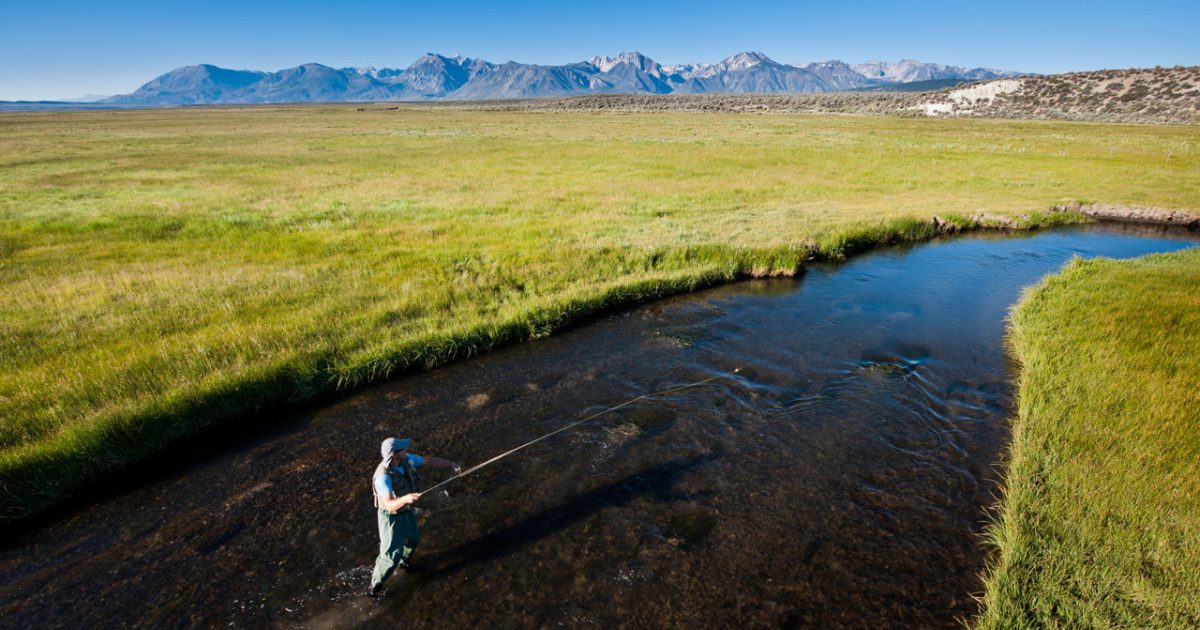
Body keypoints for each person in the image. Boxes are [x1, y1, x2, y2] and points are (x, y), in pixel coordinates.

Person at [369, 436, 460, 597]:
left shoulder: (406, 460)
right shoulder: (383, 477)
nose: (407, 450)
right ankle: (374, 587)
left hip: (406, 510)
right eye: (403, 448)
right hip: (391, 517)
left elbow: (427, 461)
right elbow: (389, 504)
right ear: (395, 454)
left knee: (413, 539)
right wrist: (405, 498)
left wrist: (450, 464)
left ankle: (404, 565)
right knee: (390, 556)